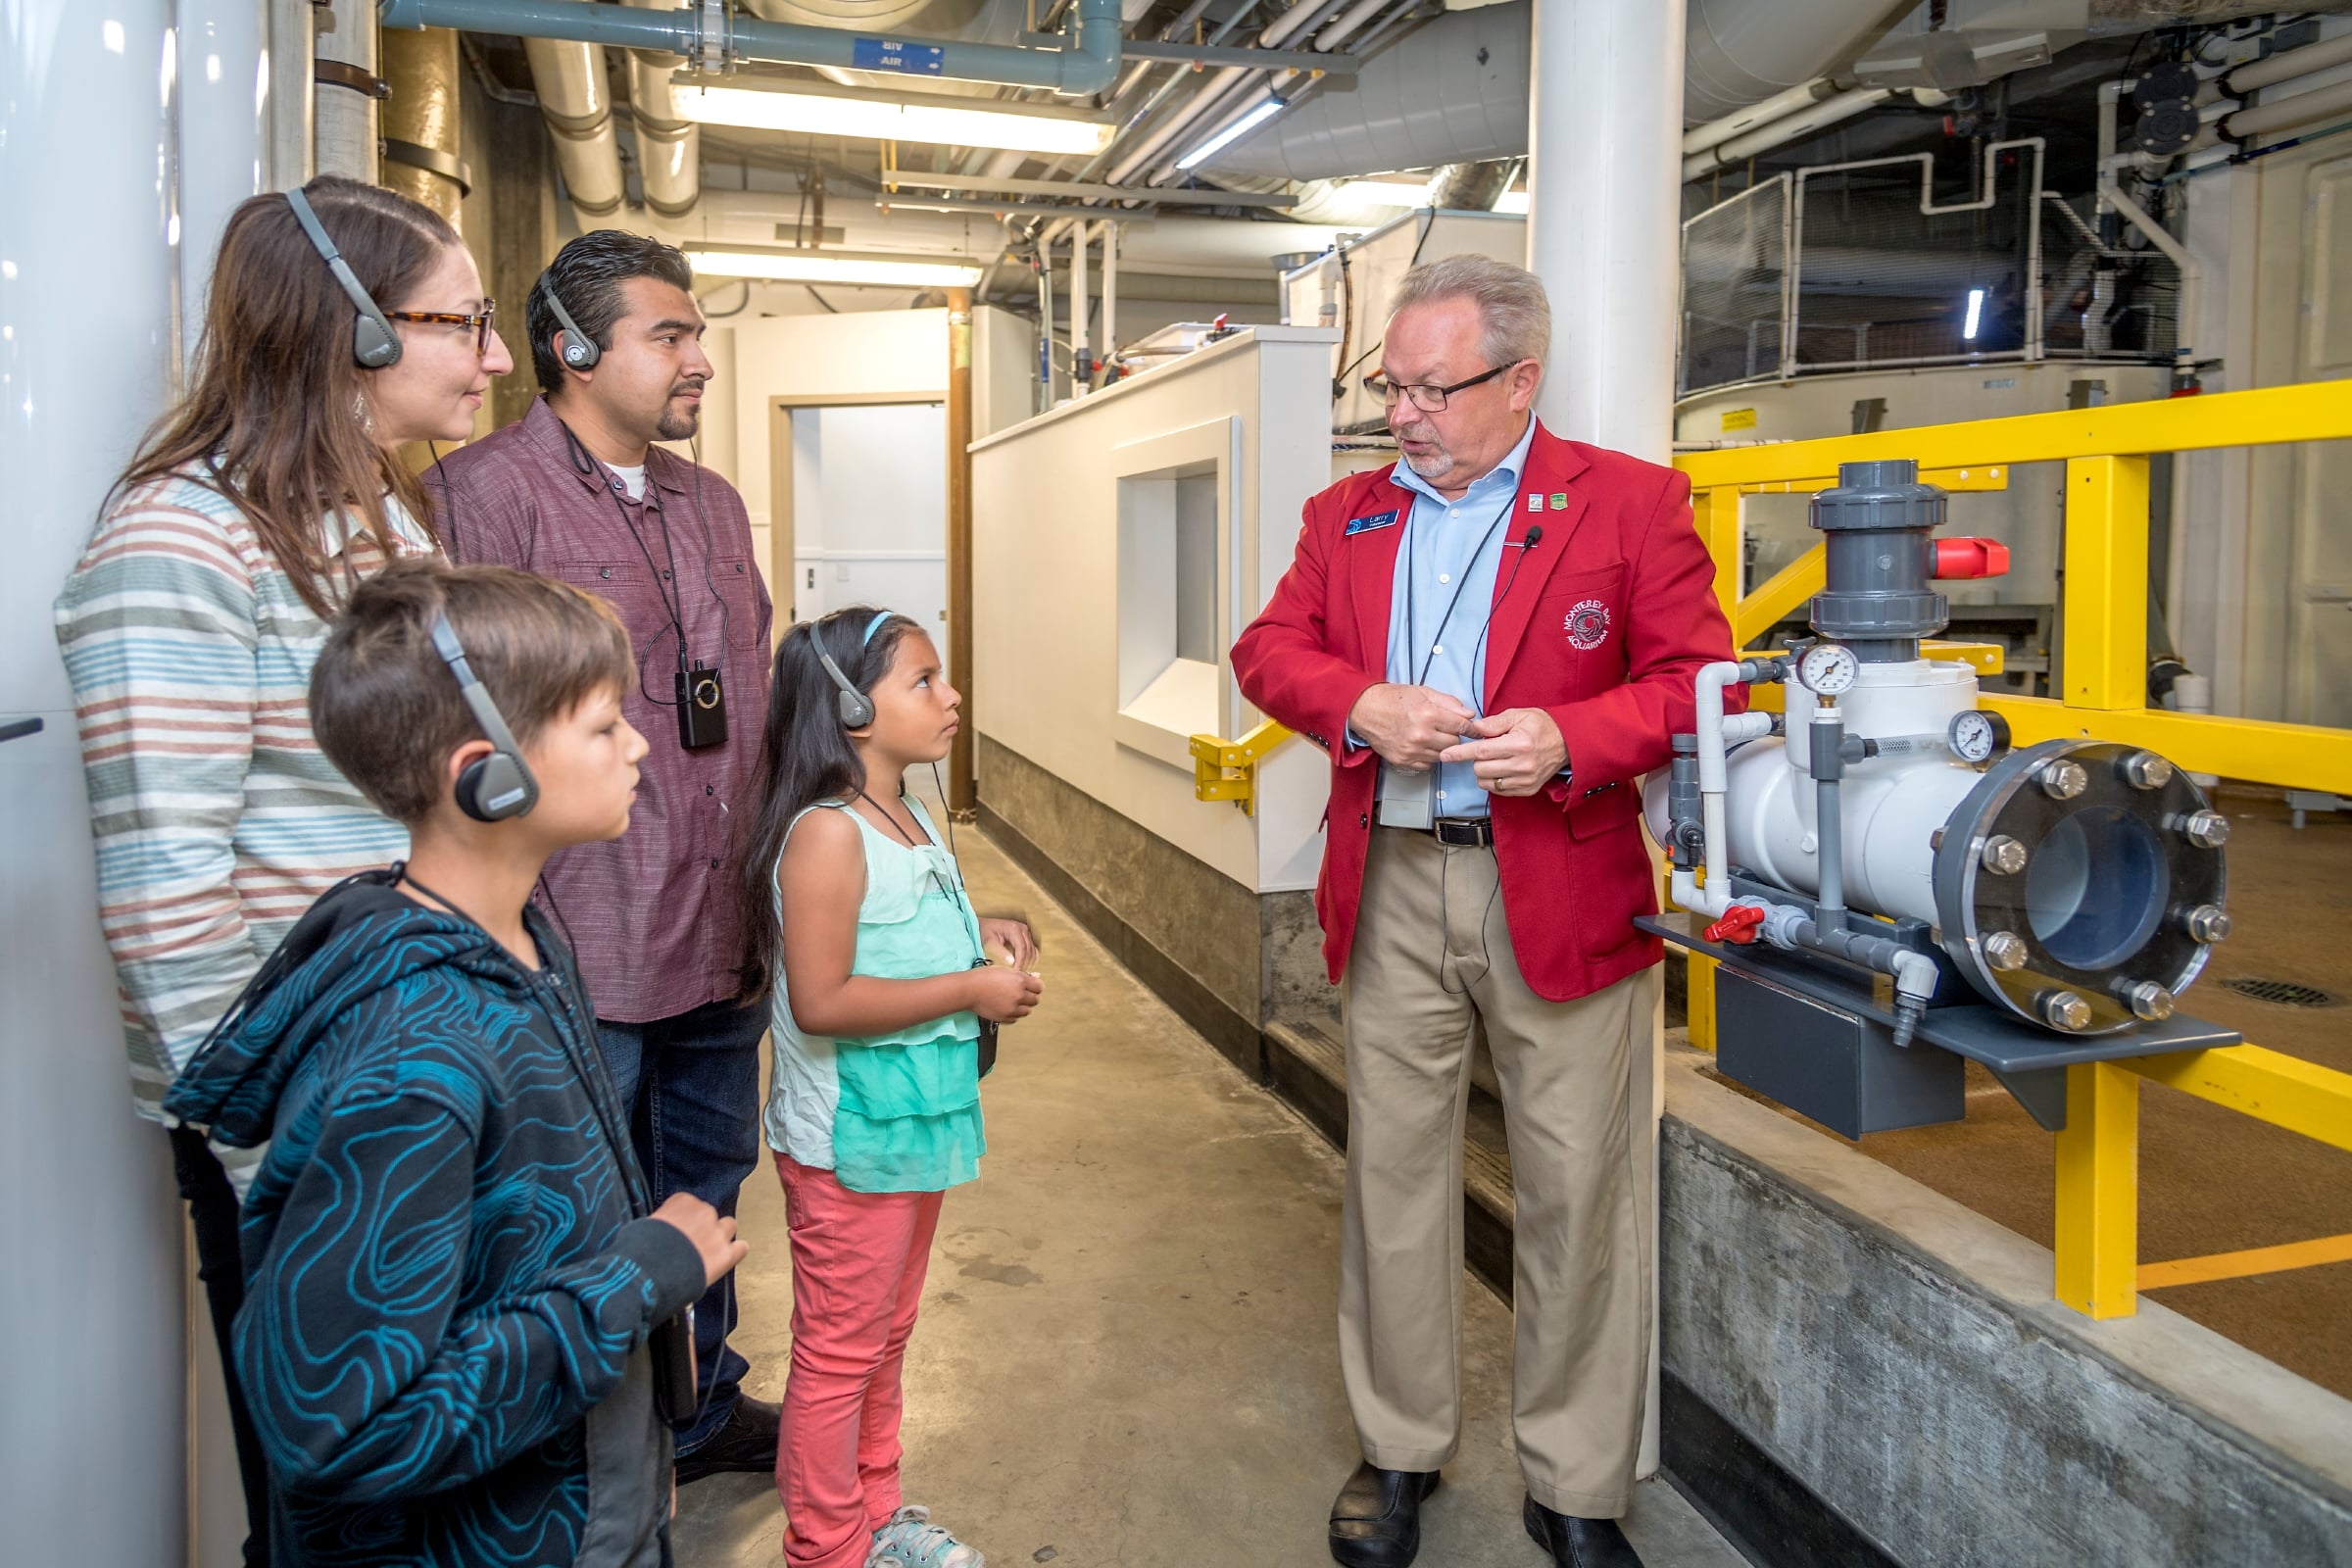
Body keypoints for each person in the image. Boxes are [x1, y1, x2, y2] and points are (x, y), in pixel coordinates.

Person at [1230, 256, 1738, 1568]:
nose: (1402, 413)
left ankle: (1573, 1482)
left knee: (1579, 1191)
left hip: (1561, 890)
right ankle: (1400, 1450)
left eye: (1431, 389)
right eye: (1390, 386)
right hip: (1392, 882)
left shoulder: (1630, 506)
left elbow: (1701, 687)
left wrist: (1573, 736)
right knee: (1393, 1182)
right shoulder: (1345, 514)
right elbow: (1268, 650)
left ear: (1522, 383)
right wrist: (1359, 705)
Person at [52, 174, 512, 1566]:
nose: (494, 356)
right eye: (465, 322)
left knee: (449, 1487)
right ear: (354, 333)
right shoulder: (177, 542)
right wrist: (286, 1157)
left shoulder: (380, 527)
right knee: (339, 1515)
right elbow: (166, 899)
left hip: (423, 1079)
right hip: (312, 1130)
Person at [163, 560, 746, 1567]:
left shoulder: (523, 946)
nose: (640, 742)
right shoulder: (411, 1057)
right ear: (488, 772)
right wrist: (634, 1279)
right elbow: (342, 1427)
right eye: (605, 725)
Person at [431, 230, 777, 1480]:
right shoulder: (482, 495)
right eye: (669, 338)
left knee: (709, 1184)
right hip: (581, 923)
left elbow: (750, 690)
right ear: (574, 351)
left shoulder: (714, 501)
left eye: (697, 337)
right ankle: (592, 1449)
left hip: (722, 916)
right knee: (581, 1203)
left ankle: (697, 1408)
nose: (700, 365)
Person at [734, 607, 1042, 1568]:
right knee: (838, 1352)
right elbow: (824, 998)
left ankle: (878, 1515)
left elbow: (893, 923)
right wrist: (973, 988)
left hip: (912, 1126)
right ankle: (826, 1546)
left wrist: (983, 928)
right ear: (852, 707)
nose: (950, 697)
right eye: (925, 681)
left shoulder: (901, 810)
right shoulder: (825, 832)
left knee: (888, 1332)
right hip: (847, 1142)